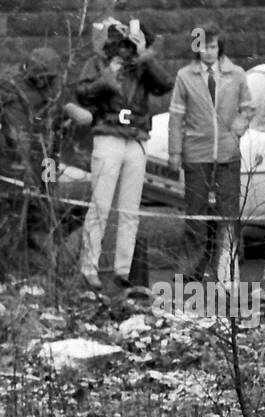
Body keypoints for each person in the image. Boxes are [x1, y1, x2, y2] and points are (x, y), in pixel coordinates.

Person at [74, 18, 173, 291]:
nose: (125, 49)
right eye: (122, 44)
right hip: (108, 135)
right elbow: (82, 93)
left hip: (136, 139)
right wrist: (107, 79)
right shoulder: (98, 63)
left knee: (130, 210)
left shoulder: (142, 67)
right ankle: (89, 267)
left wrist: (145, 57)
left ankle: (123, 269)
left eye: (131, 44)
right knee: (100, 206)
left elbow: (165, 84)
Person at [168, 22, 254, 283]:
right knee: (196, 215)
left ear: (220, 48)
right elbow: (176, 117)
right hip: (196, 155)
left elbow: (248, 108)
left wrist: (235, 131)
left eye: (213, 46)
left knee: (228, 214)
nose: (209, 52)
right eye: (204, 47)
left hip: (228, 155)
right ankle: (189, 271)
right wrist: (174, 152)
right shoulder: (185, 76)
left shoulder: (236, 74)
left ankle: (226, 270)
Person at [0, 47, 63, 278]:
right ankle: (10, 276)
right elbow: (15, 133)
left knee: (43, 217)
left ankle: (39, 275)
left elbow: (55, 129)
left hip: (46, 162)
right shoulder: (11, 90)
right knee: (12, 222)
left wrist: (50, 177)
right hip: (15, 167)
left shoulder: (52, 91)